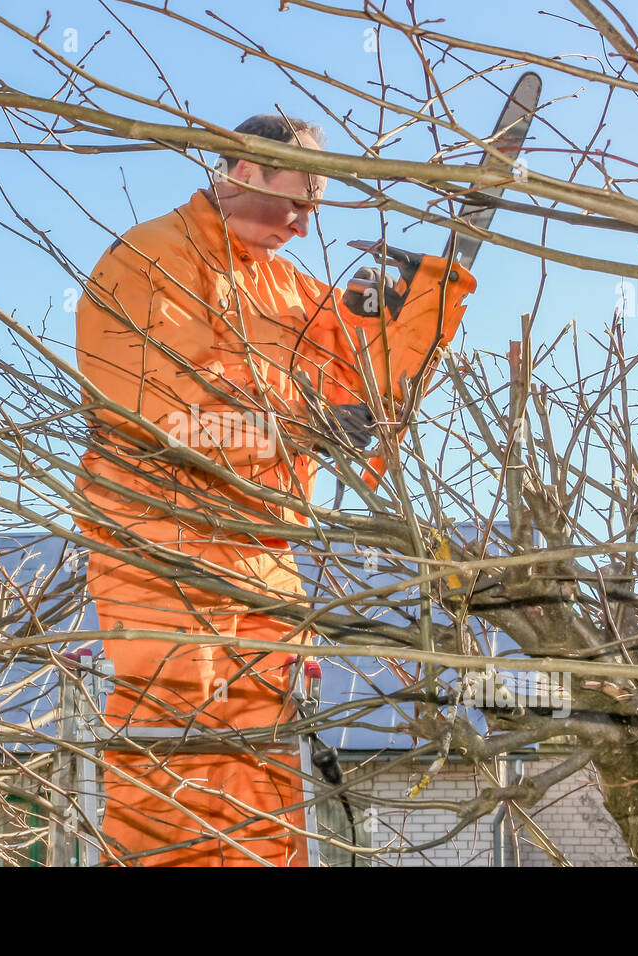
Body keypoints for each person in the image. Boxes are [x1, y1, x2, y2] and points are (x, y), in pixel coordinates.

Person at [73, 114, 459, 865]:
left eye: (319, 211)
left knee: (264, 743)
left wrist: (408, 310)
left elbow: (370, 395)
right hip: (162, 538)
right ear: (243, 173)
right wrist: (308, 421)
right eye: (300, 203)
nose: (307, 227)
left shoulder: (289, 286)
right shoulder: (151, 258)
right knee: (177, 731)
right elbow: (170, 410)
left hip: (263, 542)